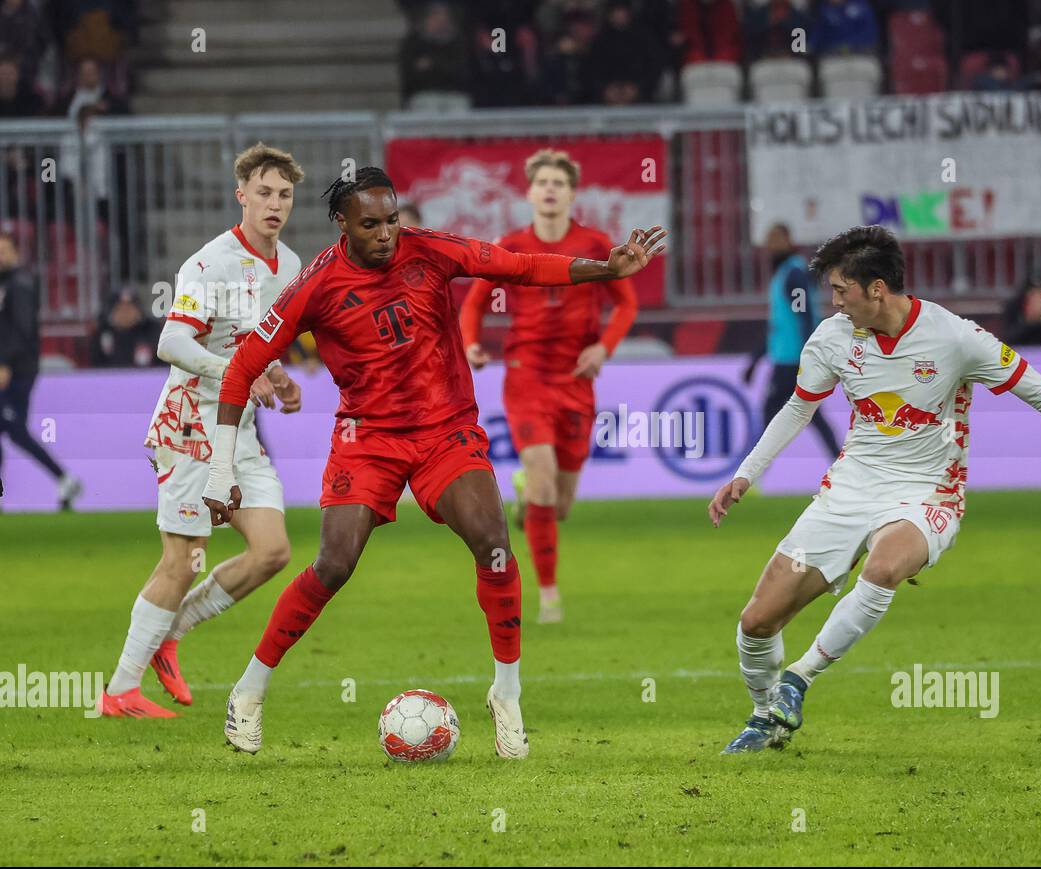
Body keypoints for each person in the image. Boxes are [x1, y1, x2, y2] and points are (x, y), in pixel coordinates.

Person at [200, 166, 665, 759]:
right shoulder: (315, 285)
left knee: (494, 544)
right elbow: (241, 369)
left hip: (447, 432)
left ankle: (506, 693)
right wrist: (220, 471)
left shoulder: (431, 251)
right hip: (368, 438)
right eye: (371, 224)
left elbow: (517, 265)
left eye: (392, 219)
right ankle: (249, 690)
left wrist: (605, 269)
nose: (387, 233)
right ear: (342, 224)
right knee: (334, 564)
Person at [706, 226, 1041, 753]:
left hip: (926, 495)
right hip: (848, 491)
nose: (833, 301)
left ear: (876, 289)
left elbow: (1038, 391)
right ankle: (766, 717)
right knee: (757, 622)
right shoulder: (831, 338)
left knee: (884, 565)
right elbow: (800, 407)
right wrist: (746, 474)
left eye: (842, 289)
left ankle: (798, 679)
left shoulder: (955, 338)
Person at [97, 143, 306, 719]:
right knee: (182, 556)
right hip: (191, 422)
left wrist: (279, 379)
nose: (274, 203)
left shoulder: (288, 267)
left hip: (239, 426)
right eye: (263, 192)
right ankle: (120, 691)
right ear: (240, 195)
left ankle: (174, 629)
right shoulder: (208, 263)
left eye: (284, 195)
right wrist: (238, 372)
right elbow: (172, 343)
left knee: (272, 551)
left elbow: (257, 344)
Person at [459, 149, 638, 624]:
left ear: (573, 193)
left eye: (560, 182)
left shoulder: (597, 242)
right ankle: (549, 597)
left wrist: (603, 348)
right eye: (544, 182)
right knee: (541, 481)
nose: (552, 189)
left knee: (557, 505)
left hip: (577, 379)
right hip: (526, 374)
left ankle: (529, 500)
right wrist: (472, 344)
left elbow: (626, 306)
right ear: (530, 191)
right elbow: (473, 304)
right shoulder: (511, 244)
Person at [743, 222, 839, 463]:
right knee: (812, 414)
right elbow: (779, 326)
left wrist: (810, 354)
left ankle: (752, 471)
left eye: (776, 238)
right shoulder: (786, 273)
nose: (771, 244)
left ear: (788, 239)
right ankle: (839, 463)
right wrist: (754, 361)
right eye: (769, 239)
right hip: (787, 355)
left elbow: (803, 315)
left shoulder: (793, 274)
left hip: (792, 359)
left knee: (772, 411)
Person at [0, 230, 82, 509]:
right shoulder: (8, 284)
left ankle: (65, 478)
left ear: (15, 253)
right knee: (10, 429)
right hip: (12, 368)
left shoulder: (18, 285)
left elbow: (22, 331)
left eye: (4, 251)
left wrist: (5, 364)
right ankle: (63, 479)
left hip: (16, 371)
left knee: (15, 430)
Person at [91, 286, 163, 367]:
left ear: (139, 311)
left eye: (130, 308)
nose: (125, 313)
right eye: (120, 308)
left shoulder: (152, 331)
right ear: (111, 312)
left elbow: (163, 365)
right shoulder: (102, 333)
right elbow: (95, 367)